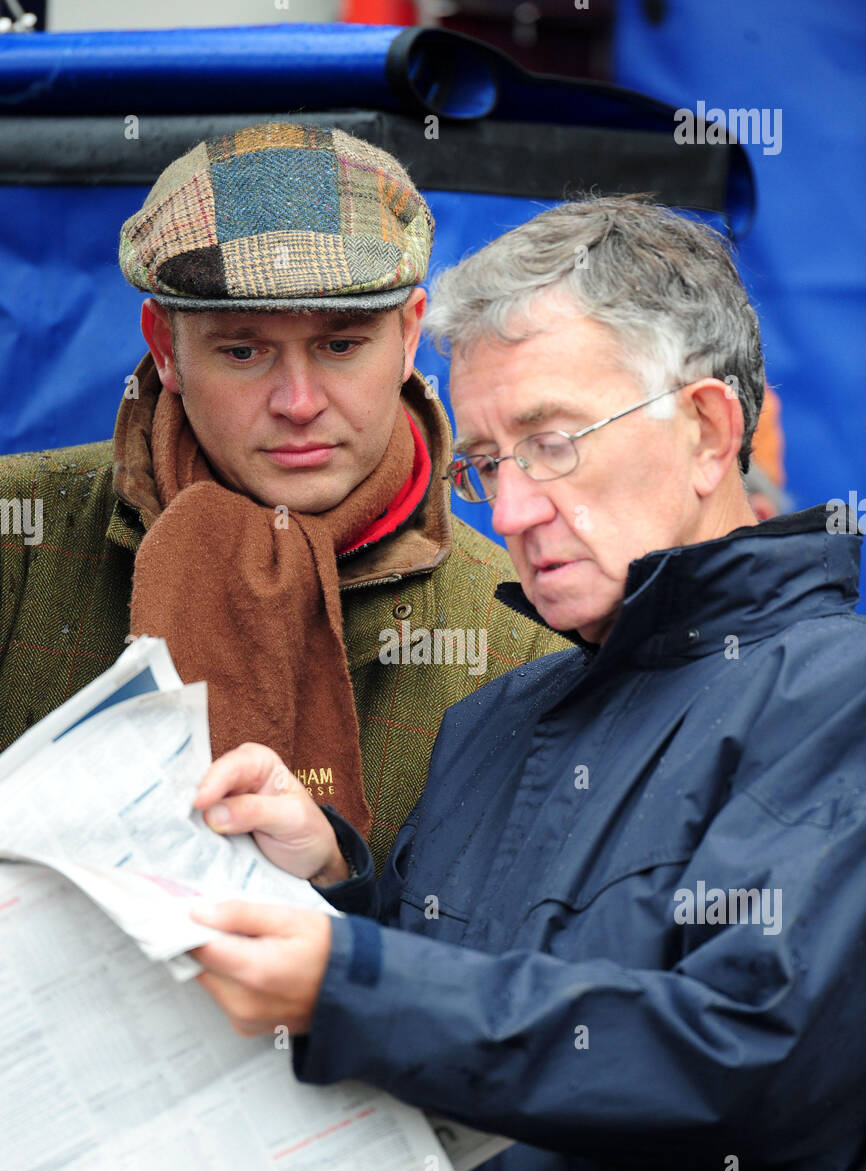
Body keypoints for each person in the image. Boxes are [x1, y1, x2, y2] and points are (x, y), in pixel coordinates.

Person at [185, 194, 866, 1171]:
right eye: (485, 464)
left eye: (552, 444)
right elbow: (453, 1015)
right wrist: (328, 887)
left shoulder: (832, 694)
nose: (510, 510)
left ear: (704, 431)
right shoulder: (493, 721)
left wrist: (348, 981)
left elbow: (748, 1053)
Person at [0, 121, 569, 871]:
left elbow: (488, 968)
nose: (298, 402)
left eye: (340, 346)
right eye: (245, 350)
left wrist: (339, 894)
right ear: (165, 348)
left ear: (408, 334)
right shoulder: (18, 544)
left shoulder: (524, 642)